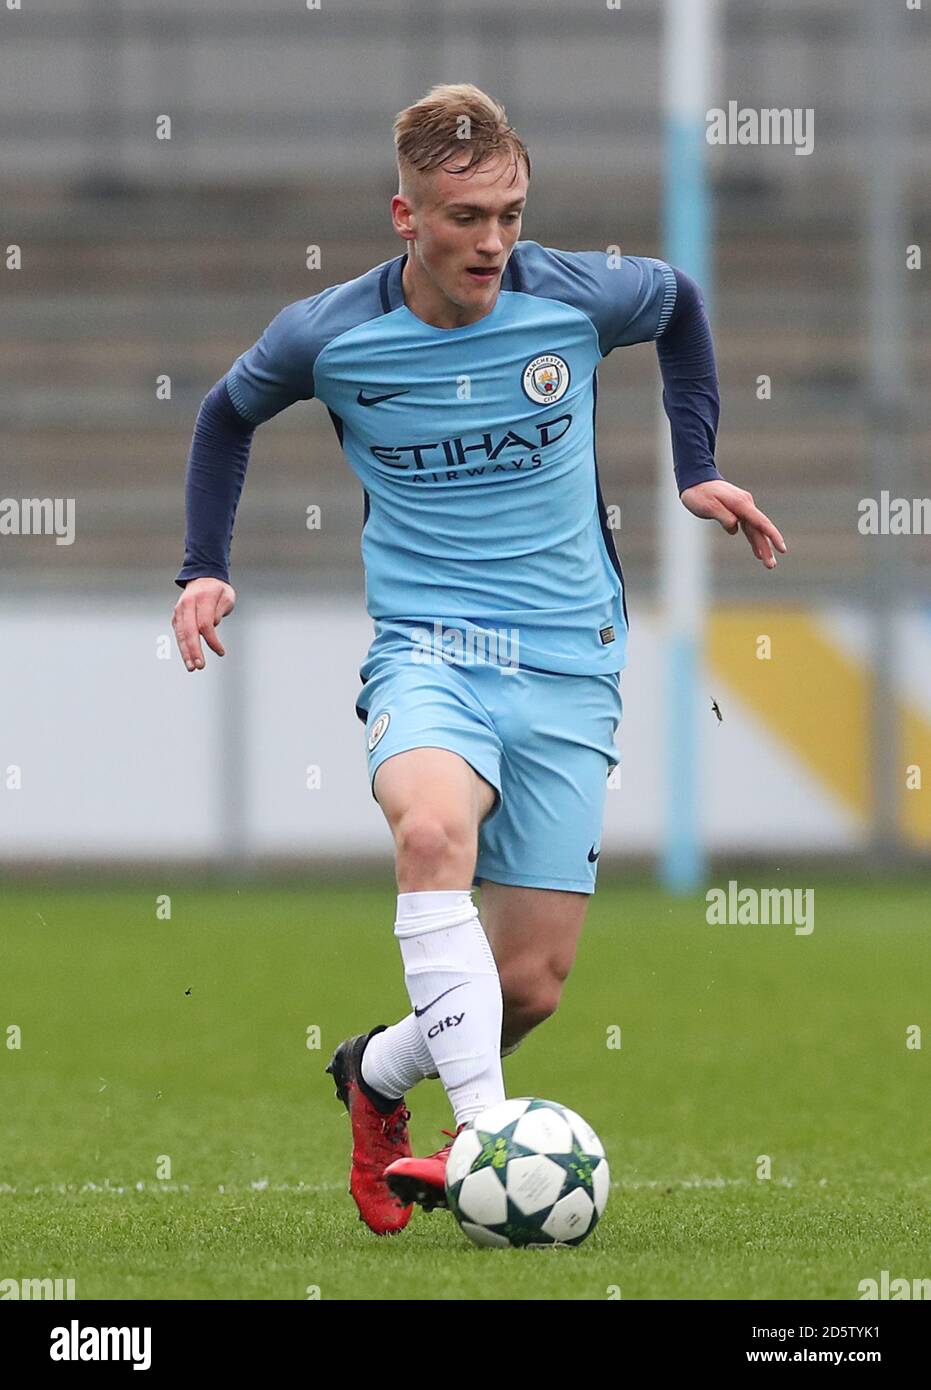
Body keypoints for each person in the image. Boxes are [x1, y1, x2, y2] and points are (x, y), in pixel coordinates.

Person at [172, 83, 786, 1236]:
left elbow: (682, 305)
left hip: (569, 663)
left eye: (509, 211)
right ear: (405, 217)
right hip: (430, 654)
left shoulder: (574, 296)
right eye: (466, 218)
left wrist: (693, 461)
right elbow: (224, 412)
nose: (494, 241)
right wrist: (202, 563)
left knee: (529, 988)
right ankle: (487, 1145)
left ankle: (376, 1075)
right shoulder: (330, 334)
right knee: (429, 836)